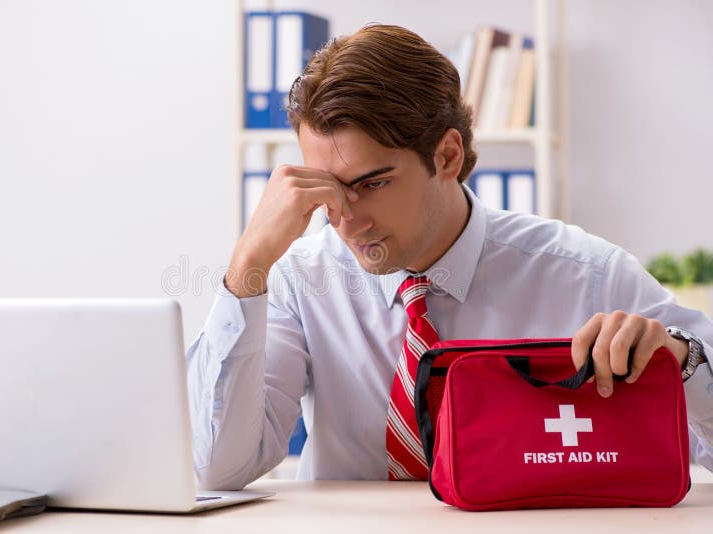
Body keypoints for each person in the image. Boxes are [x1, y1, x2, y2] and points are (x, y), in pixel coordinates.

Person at [187, 24, 713, 489]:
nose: (345, 219)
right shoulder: (300, 278)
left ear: (447, 155)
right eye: (326, 190)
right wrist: (248, 264)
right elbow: (220, 469)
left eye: (371, 184)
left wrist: (681, 360)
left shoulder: (586, 274)